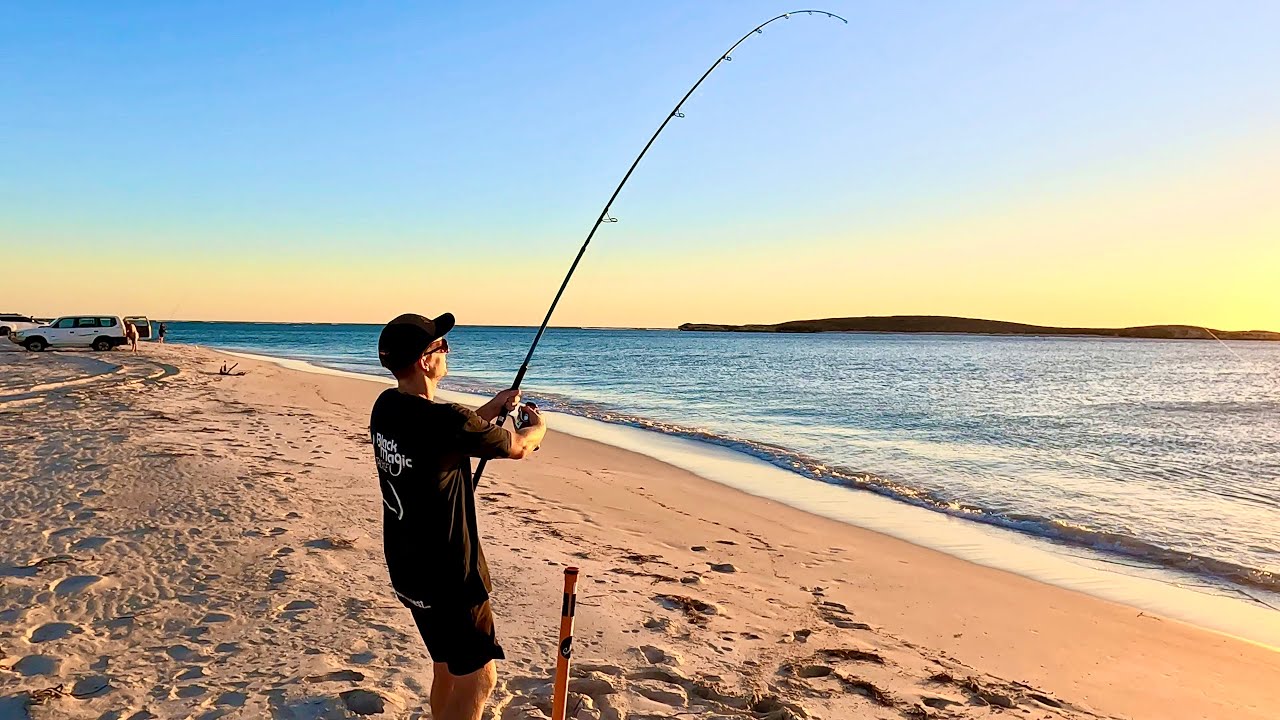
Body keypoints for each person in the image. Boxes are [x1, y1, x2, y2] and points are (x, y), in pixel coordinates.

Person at [369, 312, 546, 720]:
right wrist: (540, 427)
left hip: (408, 569)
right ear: (423, 362)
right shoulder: (446, 421)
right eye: (439, 346)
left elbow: (446, 437)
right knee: (480, 677)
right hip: (451, 575)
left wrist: (495, 406)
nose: (447, 350)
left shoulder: (386, 408)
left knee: (446, 666)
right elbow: (518, 446)